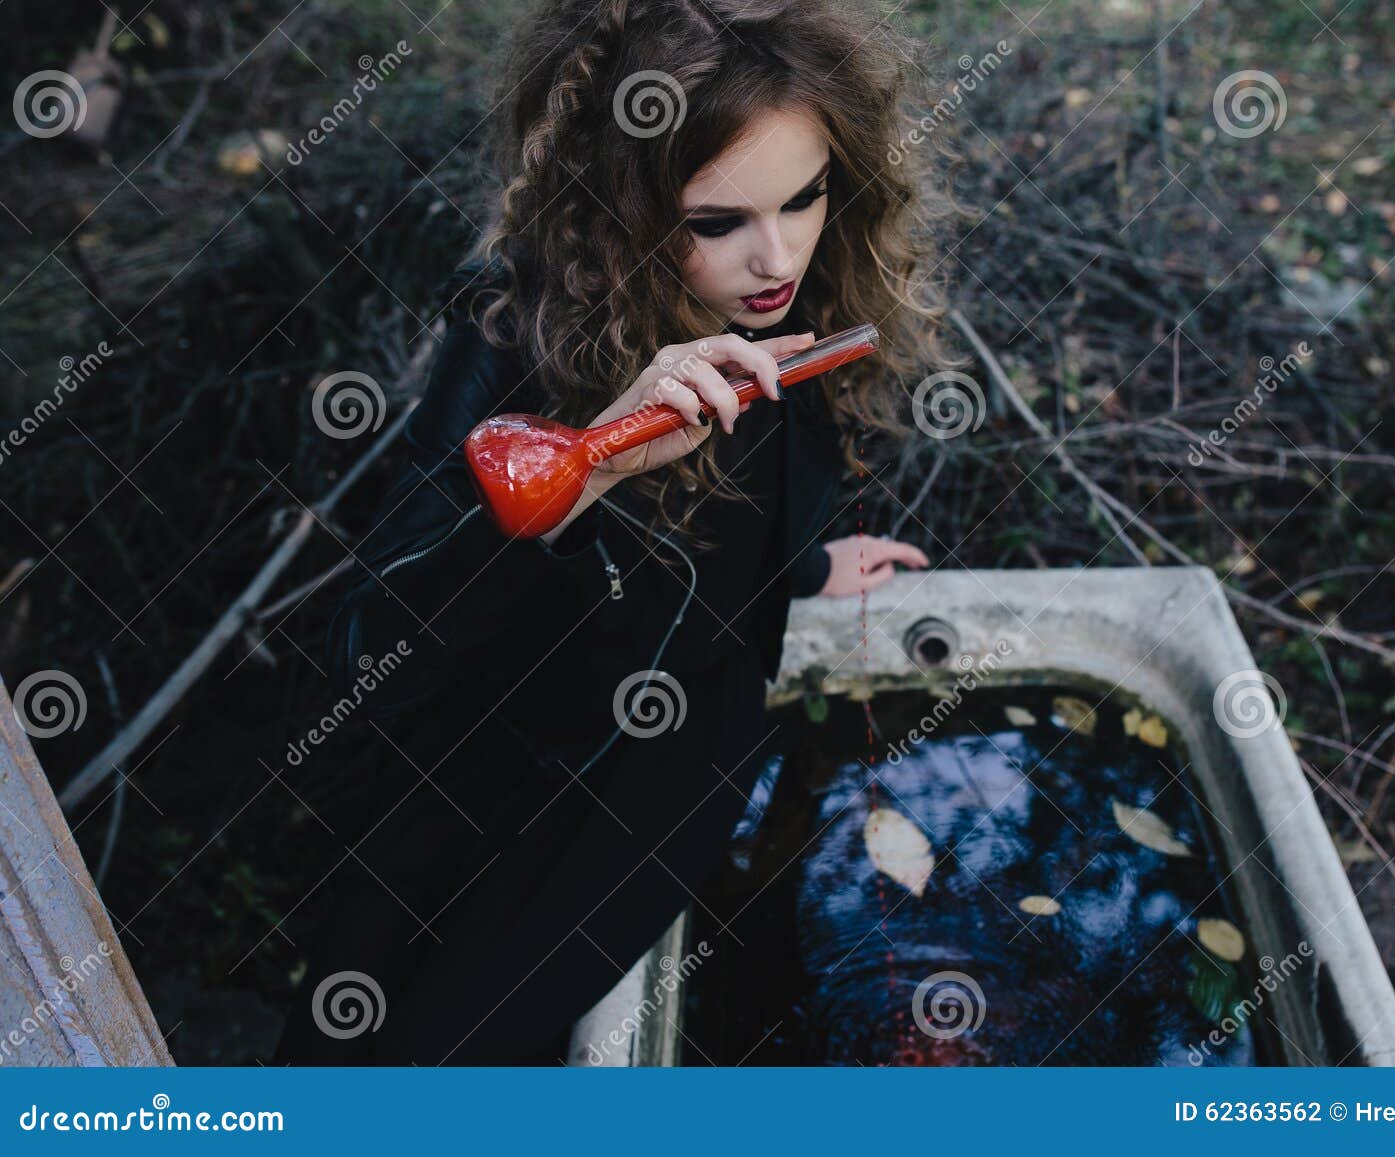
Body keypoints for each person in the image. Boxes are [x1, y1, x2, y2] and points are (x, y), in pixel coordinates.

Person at [273, 0, 959, 1065]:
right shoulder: (508, 332)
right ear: (625, 207)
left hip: (684, 773)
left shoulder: (807, 298)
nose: (773, 257)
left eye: (804, 198)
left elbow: (738, 527)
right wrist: (585, 469)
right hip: (507, 803)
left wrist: (809, 565)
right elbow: (376, 644)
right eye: (716, 222)